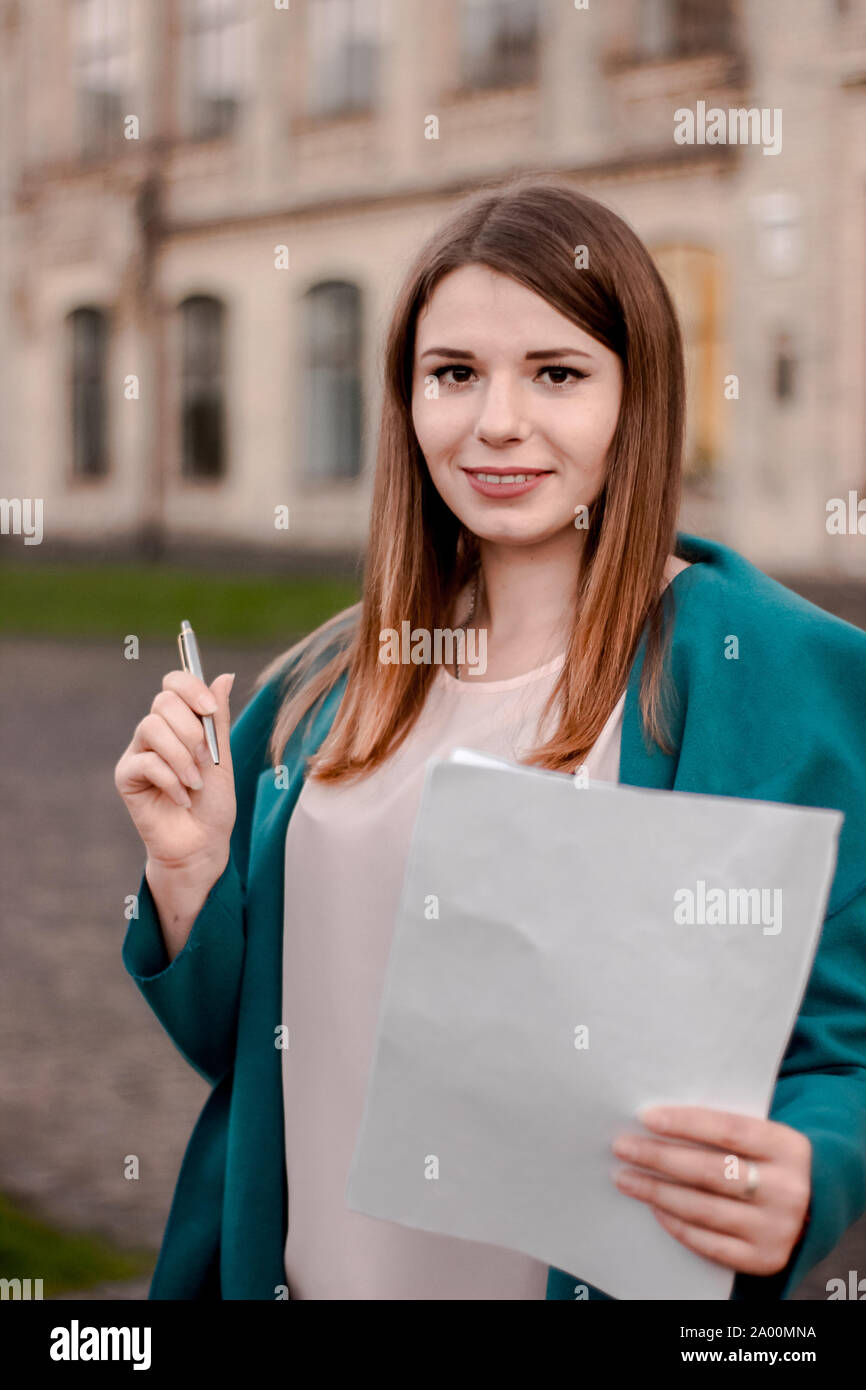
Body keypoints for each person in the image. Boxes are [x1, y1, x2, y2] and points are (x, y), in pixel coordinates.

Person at [114, 176, 866, 1300]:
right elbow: (251, 1049)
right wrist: (188, 876)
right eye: (452, 373)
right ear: (407, 400)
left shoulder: (771, 673)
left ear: (635, 398)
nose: (494, 422)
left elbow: (840, 1042)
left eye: (555, 373)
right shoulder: (322, 684)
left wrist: (812, 1170)